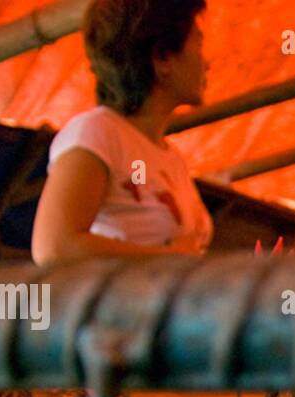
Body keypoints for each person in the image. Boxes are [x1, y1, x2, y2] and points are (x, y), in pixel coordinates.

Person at [32, 0, 213, 266]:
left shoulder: (171, 158)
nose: (207, 63)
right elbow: (55, 247)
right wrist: (173, 260)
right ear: (162, 58)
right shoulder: (97, 132)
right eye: (198, 44)